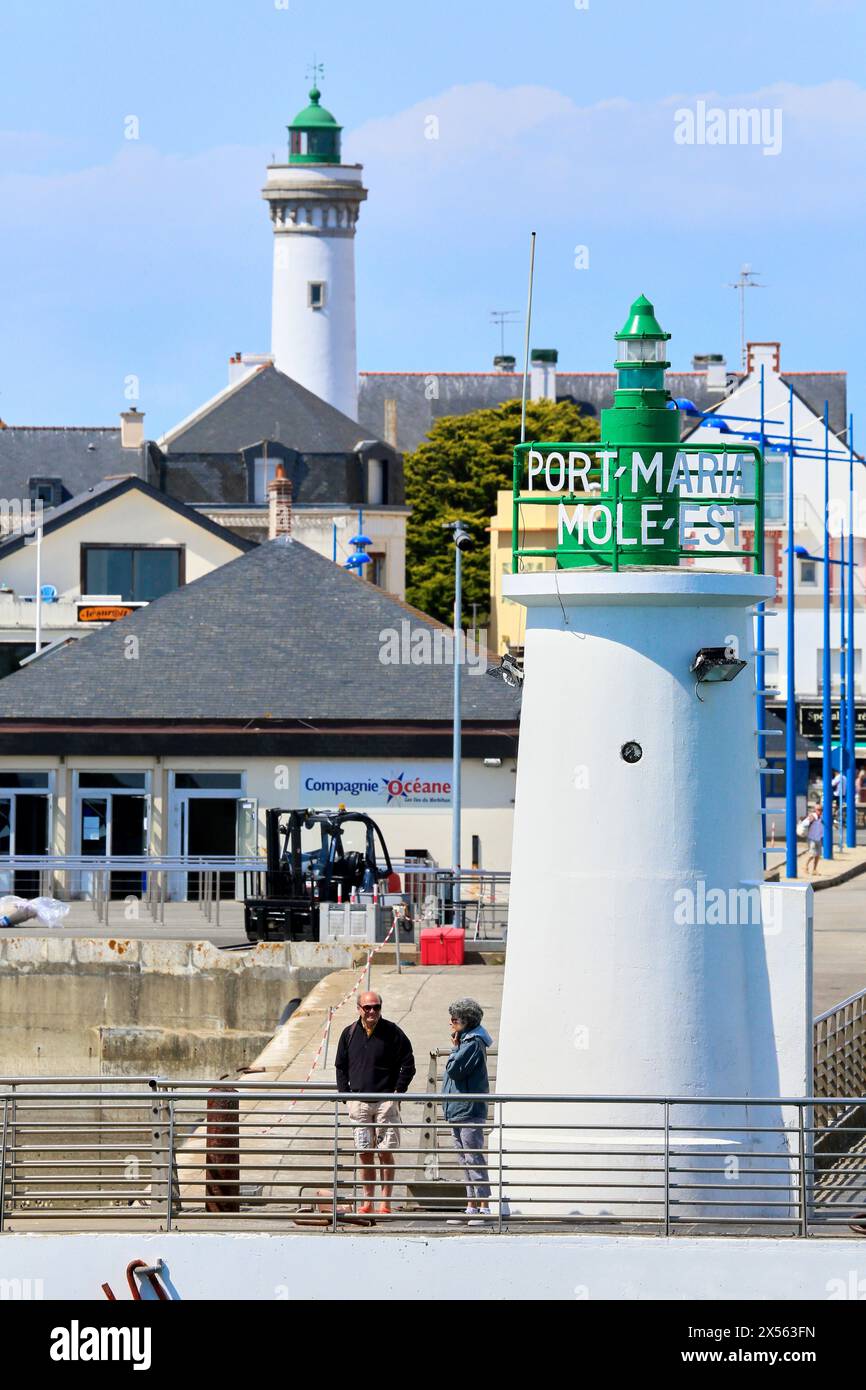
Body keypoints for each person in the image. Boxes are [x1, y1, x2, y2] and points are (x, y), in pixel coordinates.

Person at [335, 991, 415, 1215]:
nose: (372, 1011)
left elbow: (408, 1063)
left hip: (385, 1102)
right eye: (367, 1007)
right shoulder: (348, 1033)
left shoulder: (393, 1032)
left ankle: (385, 1204)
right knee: (364, 1153)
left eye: (376, 1007)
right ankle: (367, 1202)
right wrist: (345, 1096)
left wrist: (398, 1093)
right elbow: (340, 1066)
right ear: (359, 1008)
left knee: (386, 1153)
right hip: (358, 1102)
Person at [442, 998, 493, 1223]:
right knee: (464, 1159)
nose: (451, 1022)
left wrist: (454, 1050)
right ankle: (471, 1205)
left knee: (473, 1158)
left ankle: (484, 1207)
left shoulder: (472, 1043)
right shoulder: (466, 1041)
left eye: (456, 1018)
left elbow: (455, 1070)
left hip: (469, 1109)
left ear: (467, 1020)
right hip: (457, 1108)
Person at [804, 803, 824, 875]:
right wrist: (809, 820)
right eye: (819, 810)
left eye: (821, 810)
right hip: (811, 838)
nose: (820, 811)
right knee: (812, 854)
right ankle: (805, 866)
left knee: (818, 855)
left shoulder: (821, 817)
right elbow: (804, 824)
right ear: (815, 810)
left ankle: (814, 870)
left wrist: (822, 836)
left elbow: (821, 828)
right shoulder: (812, 816)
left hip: (818, 838)